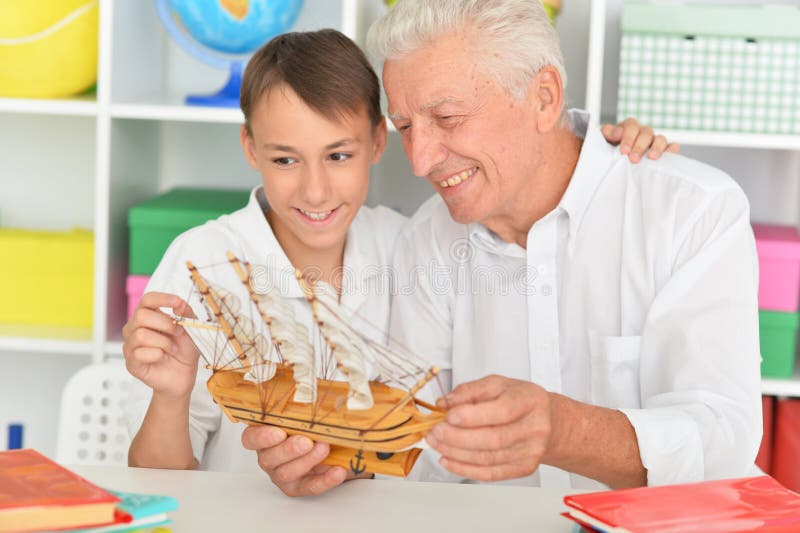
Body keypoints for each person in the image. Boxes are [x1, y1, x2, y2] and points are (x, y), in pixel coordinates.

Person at [123, 28, 674, 493]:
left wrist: (599, 155)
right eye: (285, 159)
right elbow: (158, 483)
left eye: (339, 155)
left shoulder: (409, 244)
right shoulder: (203, 263)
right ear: (250, 148)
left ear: (378, 143)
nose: (315, 191)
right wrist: (170, 396)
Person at [247, 0, 761, 496]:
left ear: (543, 98)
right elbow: (420, 449)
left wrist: (564, 430)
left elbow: (724, 438)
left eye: (446, 118)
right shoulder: (429, 240)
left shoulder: (692, 211)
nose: (420, 161)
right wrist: (336, 463)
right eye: (405, 127)